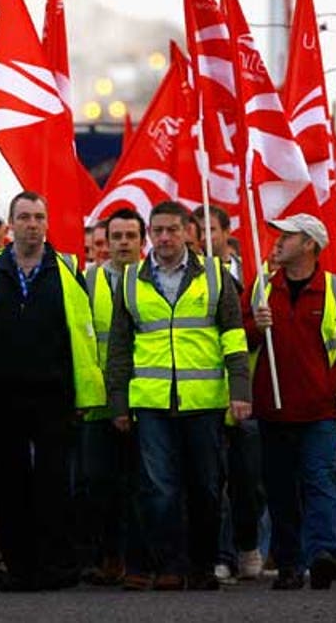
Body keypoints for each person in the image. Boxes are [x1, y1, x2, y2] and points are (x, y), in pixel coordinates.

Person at [0, 191, 106, 591]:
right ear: (11, 225)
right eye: (24, 217)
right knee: (7, 481)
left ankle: (55, 566)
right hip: (2, 396)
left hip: (55, 396)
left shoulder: (67, 271)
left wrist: (86, 393)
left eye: (39, 216)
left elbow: (84, 337)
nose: (32, 224)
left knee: (54, 482)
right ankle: (17, 568)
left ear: (47, 223)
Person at [107, 200, 251, 590]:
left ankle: (202, 566)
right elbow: (119, 348)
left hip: (203, 400)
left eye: (173, 229)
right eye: (159, 231)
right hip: (152, 402)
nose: (165, 238)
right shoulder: (131, 279)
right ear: (149, 235)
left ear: (189, 231)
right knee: (159, 489)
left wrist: (240, 390)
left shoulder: (216, 276)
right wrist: (117, 403)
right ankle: (169, 566)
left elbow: (234, 339)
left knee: (205, 486)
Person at [245, 214, 336, 590]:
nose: (277, 241)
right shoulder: (261, 289)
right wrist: (255, 324)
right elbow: (237, 338)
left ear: (309, 244)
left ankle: (323, 554)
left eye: (287, 236)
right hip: (273, 407)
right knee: (280, 487)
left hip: (321, 409)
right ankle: (289, 563)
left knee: (320, 480)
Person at [79, 207, 148, 588]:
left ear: (142, 240)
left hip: (144, 398)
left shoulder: (152, 282)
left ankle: (138, 560)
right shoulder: (89, 281)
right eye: (115, 237)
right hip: (98, 402)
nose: (122, 243)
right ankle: (106, 556)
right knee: (98, 484)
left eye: (130, 236)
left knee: (141, 484)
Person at [194, 204, 258, 581]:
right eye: (197, 230)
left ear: (226, 232)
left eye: (210, 230)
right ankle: (221, 554)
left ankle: (247, 542)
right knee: (210, 480)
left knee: (247, 481)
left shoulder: (252, 275)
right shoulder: (190, 277)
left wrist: (259, 323)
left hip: (246, 395)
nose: (204, 237)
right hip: (205, 397)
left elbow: (244, 334)